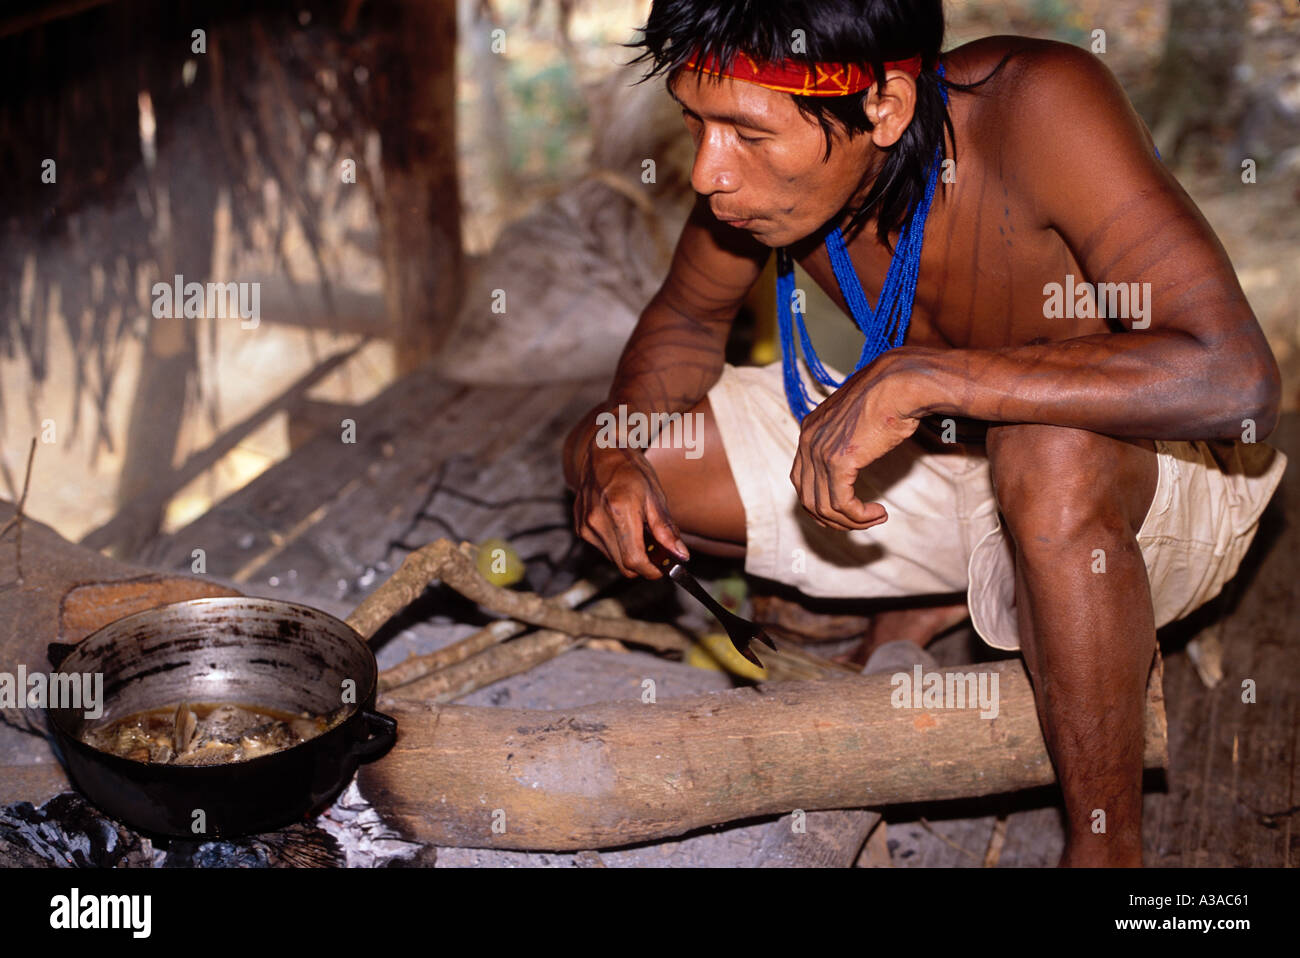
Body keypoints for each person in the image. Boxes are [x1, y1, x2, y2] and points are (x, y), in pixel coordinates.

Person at [562, 0, 1286, 867]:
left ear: (886, 108)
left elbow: (1235, 378)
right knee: (615, 452)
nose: (710, 173)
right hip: (940, 456)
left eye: (749, 137)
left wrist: (925, 375)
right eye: (696, 124)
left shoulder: (1041, 106)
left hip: (1134, 490)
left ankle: (1108, 856)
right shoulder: (756, 186)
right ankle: (958, 591)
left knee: (1044, 445)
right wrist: (615, 453)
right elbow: (685, 321)